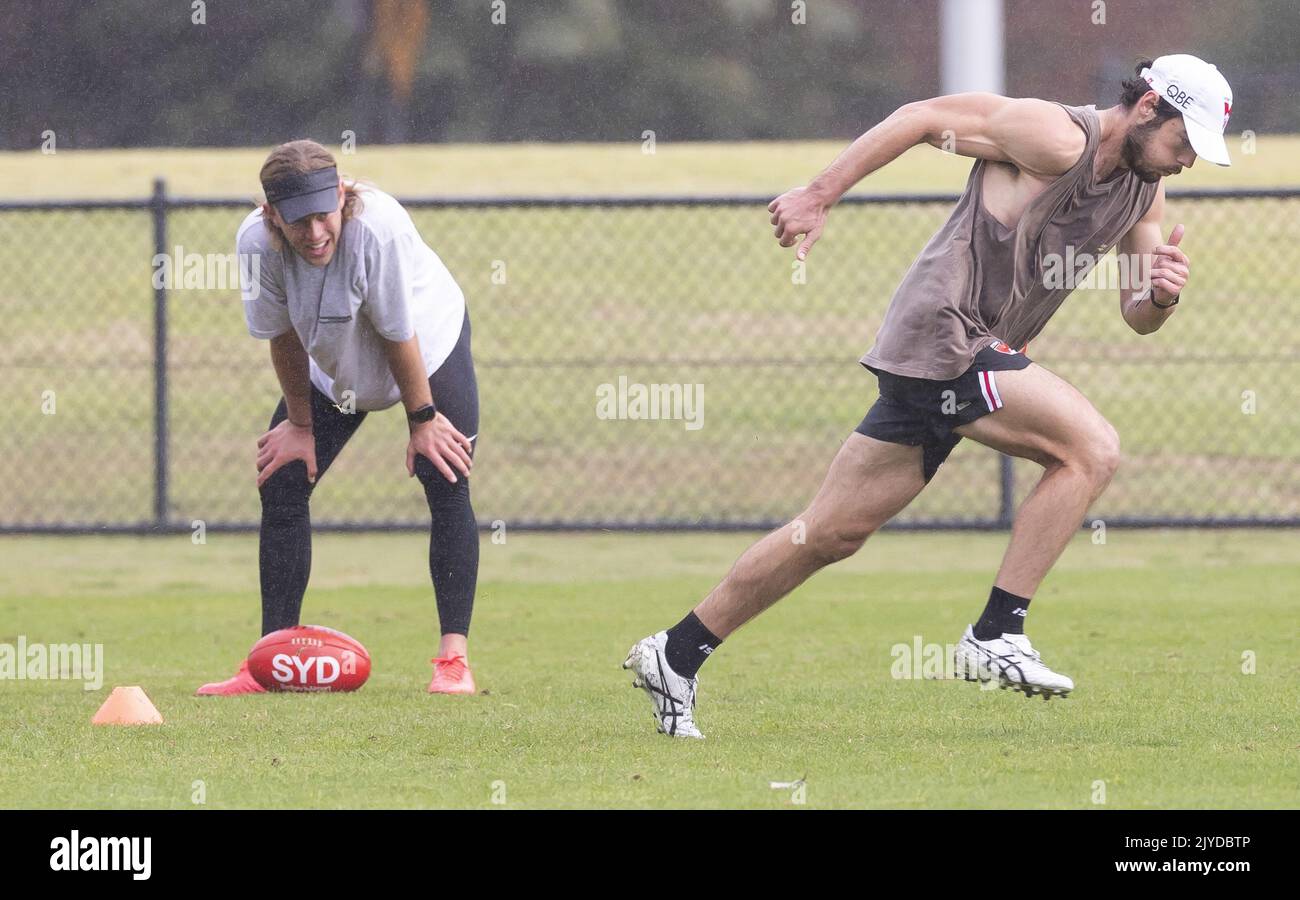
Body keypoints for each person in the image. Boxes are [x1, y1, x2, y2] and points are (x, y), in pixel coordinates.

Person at [624, 55, 1234, 738]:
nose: (1185, 162)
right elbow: (921, 118)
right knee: (1091, 450)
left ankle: (675, 654)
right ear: (1150, 106)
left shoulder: (1144, 191)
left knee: (828, 533)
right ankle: (997, 631)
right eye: (1184, 143)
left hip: (964, 357)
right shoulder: (1055, 136)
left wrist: (1160, 294)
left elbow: (1136, 312)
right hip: (944, 332)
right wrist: (820, 194)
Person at [197, 139, 481, 696]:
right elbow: (281, 336)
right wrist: (300, 428)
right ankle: (268, 663)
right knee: (282, 480)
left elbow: (399, 334)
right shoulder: (256, 244)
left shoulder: (379, 228)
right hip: (336, 362)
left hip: (427, 345)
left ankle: (453, 661)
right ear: (270, 214)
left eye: (324, 215)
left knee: (445, 473)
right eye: (298, 221)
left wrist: (422, 420)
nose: (315, 232)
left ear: (343, 196)